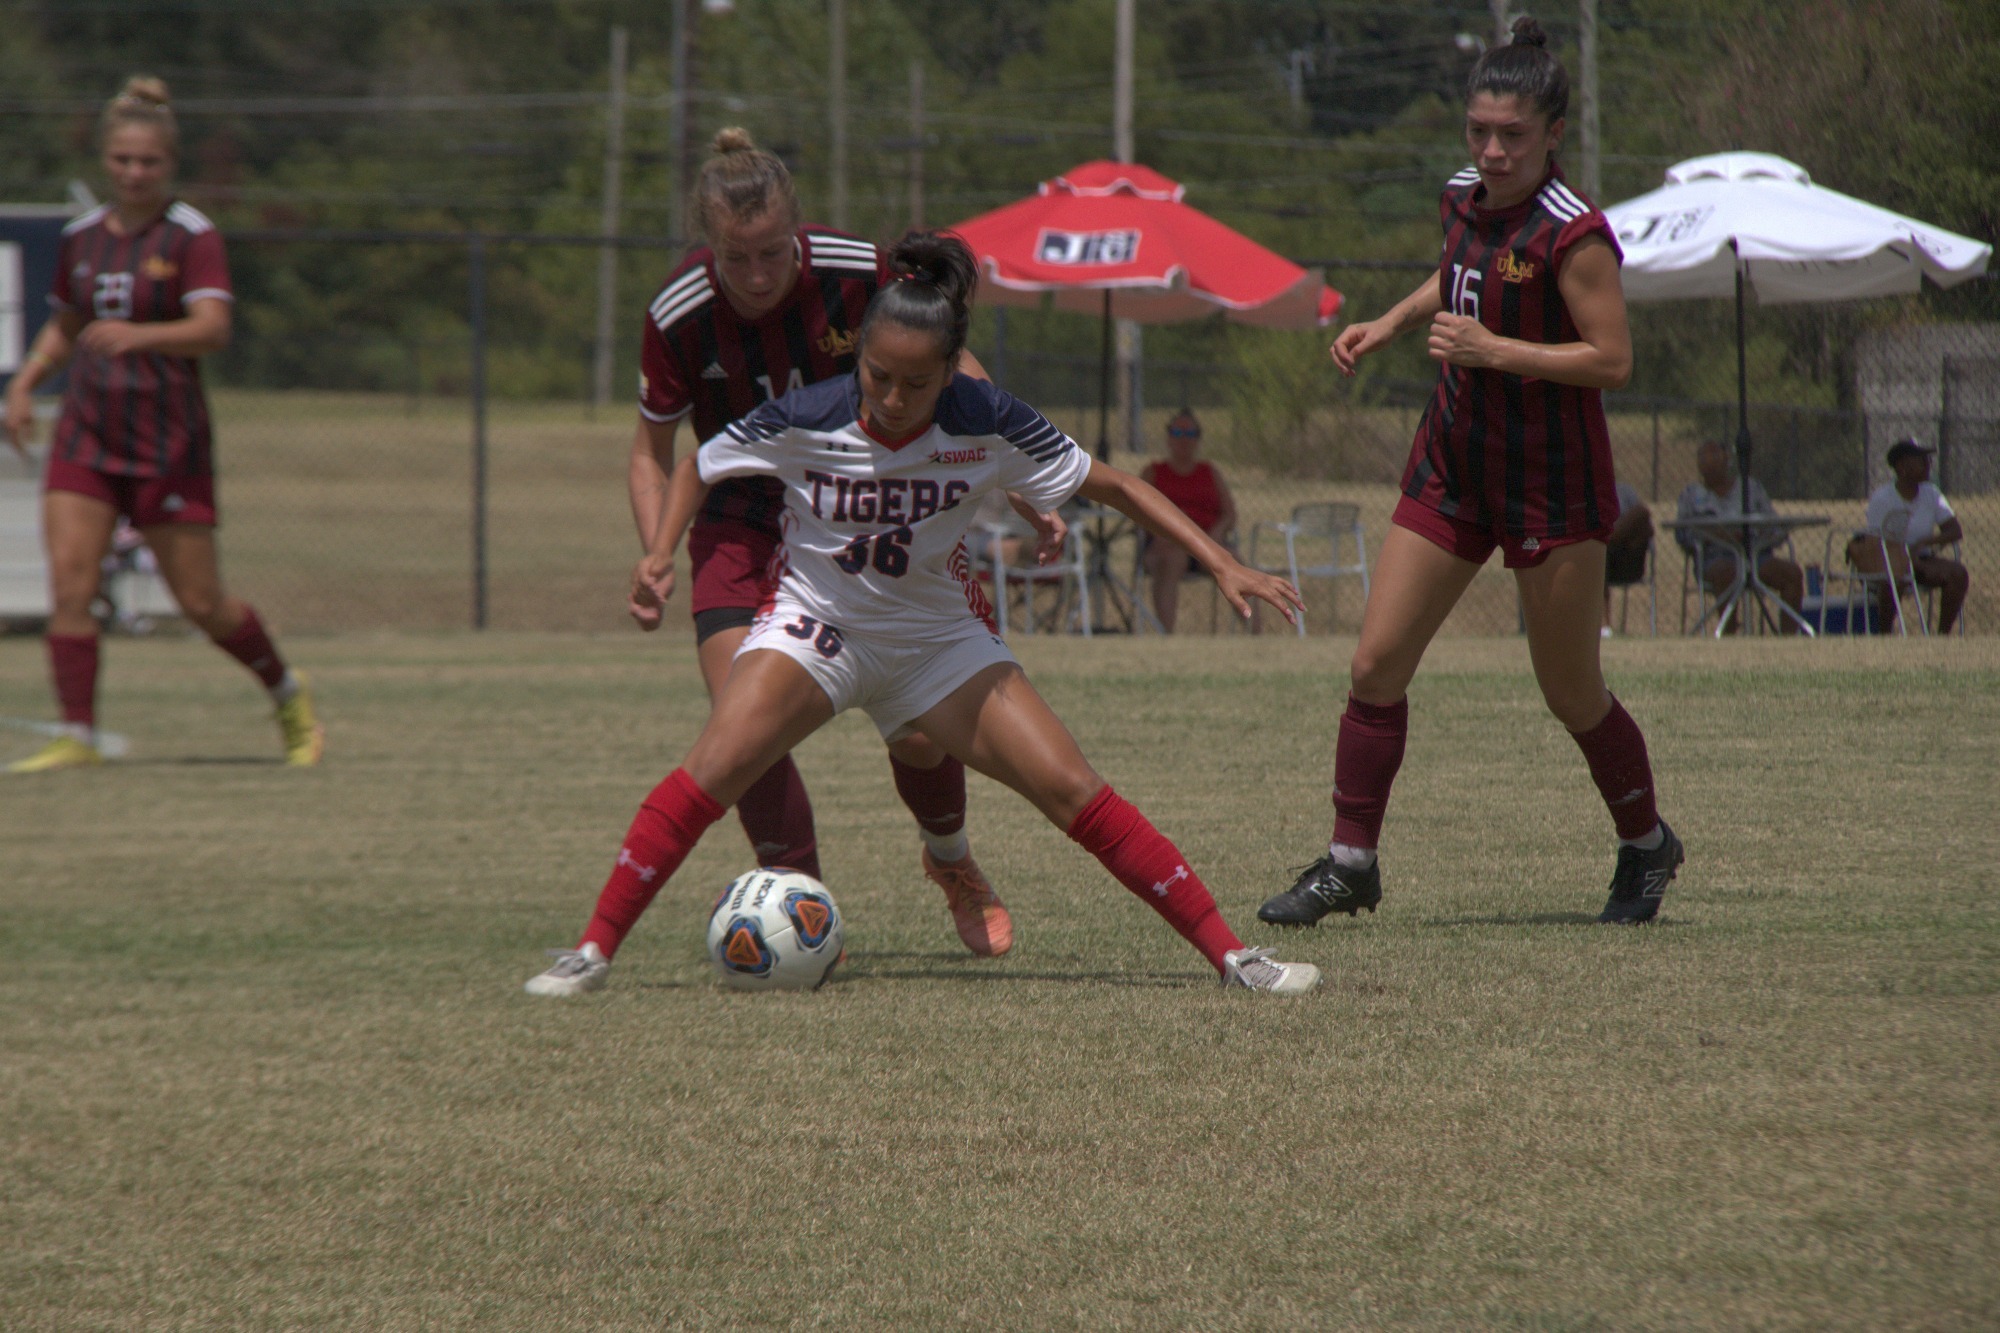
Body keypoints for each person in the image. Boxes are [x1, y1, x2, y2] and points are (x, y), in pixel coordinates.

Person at [526, 231, 1319, 997]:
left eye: (916, 383)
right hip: (818, 628)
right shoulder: (809, 413)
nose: (894, 399)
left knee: (1072, 787)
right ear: (858, 359)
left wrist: (1222, 561)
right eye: (878, 376)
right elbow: (699, 464)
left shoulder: (987, 417)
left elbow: (1115, 485)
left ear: (951, 372)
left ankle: (1235, 957)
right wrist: (660, 551)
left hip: (936, 642)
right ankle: (591, 952)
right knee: (715, 765)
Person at [1256, 18, 1681, 931]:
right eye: (1479, 131)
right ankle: (1350, 863)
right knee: (1375, 663)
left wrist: (1493, 350)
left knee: (1570, 691)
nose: (1492, 151)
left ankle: (1647, 843)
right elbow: (1458, 274)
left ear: (1553, 134)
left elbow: (1612, 361)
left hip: (1550, 481)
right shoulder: (1460, 196)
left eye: (1512, 135)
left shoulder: (1575, 233)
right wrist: (1389, 322)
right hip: (1453, 460)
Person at [628, 129, 1058, 957]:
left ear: (798, 230)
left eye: (772, 253)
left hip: (863, 512)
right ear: (707, 244)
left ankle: (951, 859)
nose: (758, 275)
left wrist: (1017, 476)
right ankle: (806, 916)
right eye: (736, 257)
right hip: (739, 525)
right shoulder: (679, 313)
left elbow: (948, 359)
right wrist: (655, 554)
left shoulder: (857, 271)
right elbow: (651, 451)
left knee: (921, 732)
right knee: (743, 732)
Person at [1, 76, 322, 773]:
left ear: (170, 163)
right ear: (104, 160)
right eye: (122, 160)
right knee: (71, 583)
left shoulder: (190, 236)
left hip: (167, 441)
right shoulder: (83, 237)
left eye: (148, 162)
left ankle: (285, 691)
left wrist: (138, 336)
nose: (134, 173)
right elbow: (67, 325)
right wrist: (24, 384)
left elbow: (213, 328)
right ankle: (77, 734)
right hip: (88, 433)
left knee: (203, 602)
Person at [1674, 440, 1805, 633]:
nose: (1709, 464)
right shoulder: (1690, 495)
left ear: (1727, 460)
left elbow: (1775, 527)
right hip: (1714, 558)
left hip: (1756, 556)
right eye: (1703, 459)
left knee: (1792, 574)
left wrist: (1754, 534)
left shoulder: (1750, 488)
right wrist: (1715, 536)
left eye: (1714, 457)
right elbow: (1682, 535)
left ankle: (1788, 638)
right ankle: (1728, 636)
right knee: (1726, 572)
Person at [1851, 437, 1968, 634]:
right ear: (1902, 466)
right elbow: (1877, 543)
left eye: (1928, 460)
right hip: (1889, 562)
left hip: (1921, 560)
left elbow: (1954, 531)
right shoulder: (1882, 498)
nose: (1928, 464)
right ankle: (1884, 635)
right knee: (1895, 578)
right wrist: (1906, 558)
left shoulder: (1931, 493)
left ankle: (1942, 637)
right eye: (1922, 460)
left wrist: (1924, 542)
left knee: (1958, 574)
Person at [1138, 409, 1239, 633]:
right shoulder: (1153, 472)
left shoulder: (1209, 472)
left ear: (1198, 439)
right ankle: (1167, 637)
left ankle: (1255, 634)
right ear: (1168, 438)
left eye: (1190, 433)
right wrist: (1161, 533)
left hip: (1206, 544)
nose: (1184, 439)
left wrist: (1217, 533)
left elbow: (1230, 515)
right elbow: (1138, 513)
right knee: (1172, 559)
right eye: (1177, 432)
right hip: (1165, 545)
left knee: (1235, 564)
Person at [1601, 479, 1652, 636]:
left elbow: (1646, 527)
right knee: (1599, 550)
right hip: (1596, 560)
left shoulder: (1624, 491)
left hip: (1627, 559)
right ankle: (1604, 626)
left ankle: (1607, 537)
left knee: (1641, 513)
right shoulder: (1578, 494)